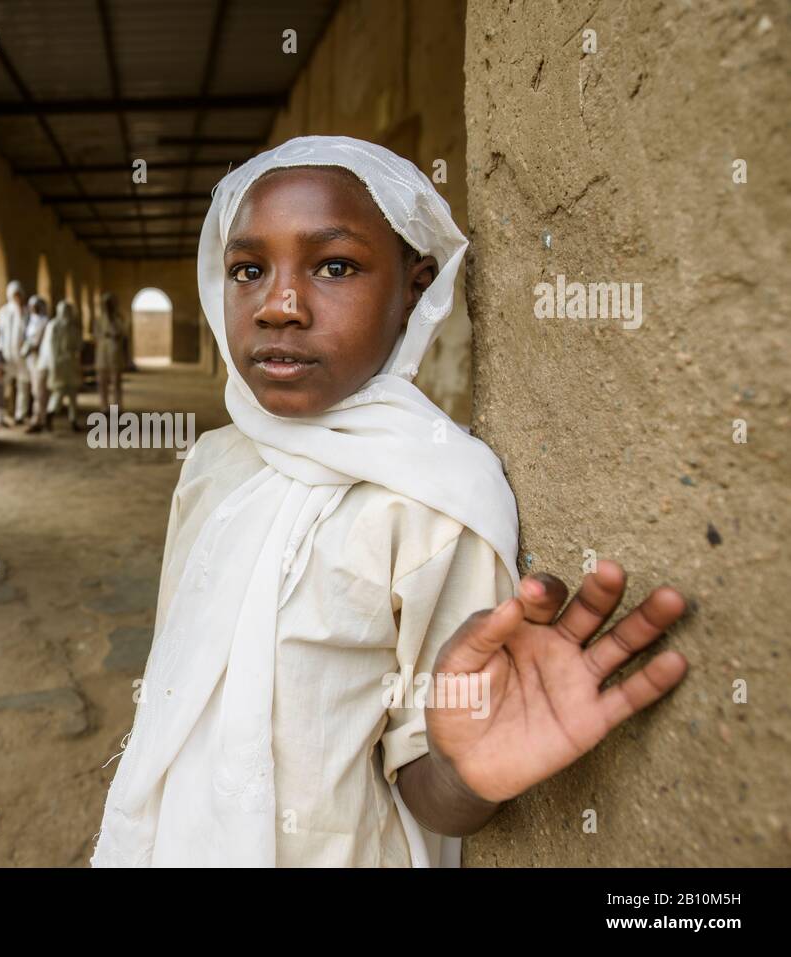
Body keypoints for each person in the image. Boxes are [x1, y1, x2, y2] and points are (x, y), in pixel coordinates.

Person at [89, 136, 689, 868]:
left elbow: (425, 784)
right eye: (248, 269)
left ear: (415, 288)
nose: (279, 305)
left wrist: (469, 771)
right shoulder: (215, 462)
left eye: (335, 266)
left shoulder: (437, 497)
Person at [40, 299, 83, 432]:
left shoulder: (73, 328)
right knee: (58, 392)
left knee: (73, 393)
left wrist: (75, 355)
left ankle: (73, 419)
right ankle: (50, 414)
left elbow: (78, 344)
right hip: (58, 363)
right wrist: (53, 365)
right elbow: (50, 347)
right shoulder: (53, 326)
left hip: (71, 363)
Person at [0, 280, 30, 423]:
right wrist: (0, 350)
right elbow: (1, 332)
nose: (17, 297)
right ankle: (2, 414)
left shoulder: (27, 311)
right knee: (4, 383)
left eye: (18, 294)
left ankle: (20, 414)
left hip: (22, 354)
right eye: (14, 294)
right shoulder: (4, 312)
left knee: (23, 384)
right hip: (7, 354)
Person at [21, 295, 51, 433]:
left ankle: (39, 419)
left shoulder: (45, 322)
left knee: (40, 390)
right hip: (31, 360)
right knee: (36, 390)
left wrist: (34, 347)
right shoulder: (31, 322)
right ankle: (41, 418)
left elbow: (42, 342)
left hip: (42, 359)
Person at [94, 291, 125, 414]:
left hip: (115, 352)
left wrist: (113, 334)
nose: (107, 306)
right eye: (105, 304)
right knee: (102, 382)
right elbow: (97, 334)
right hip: (102, 352)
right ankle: (104, 407)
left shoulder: (118, 319)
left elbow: (122, 333)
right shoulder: (99, 319)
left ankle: (117, 407)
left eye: (109, 303)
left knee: (116, 381)